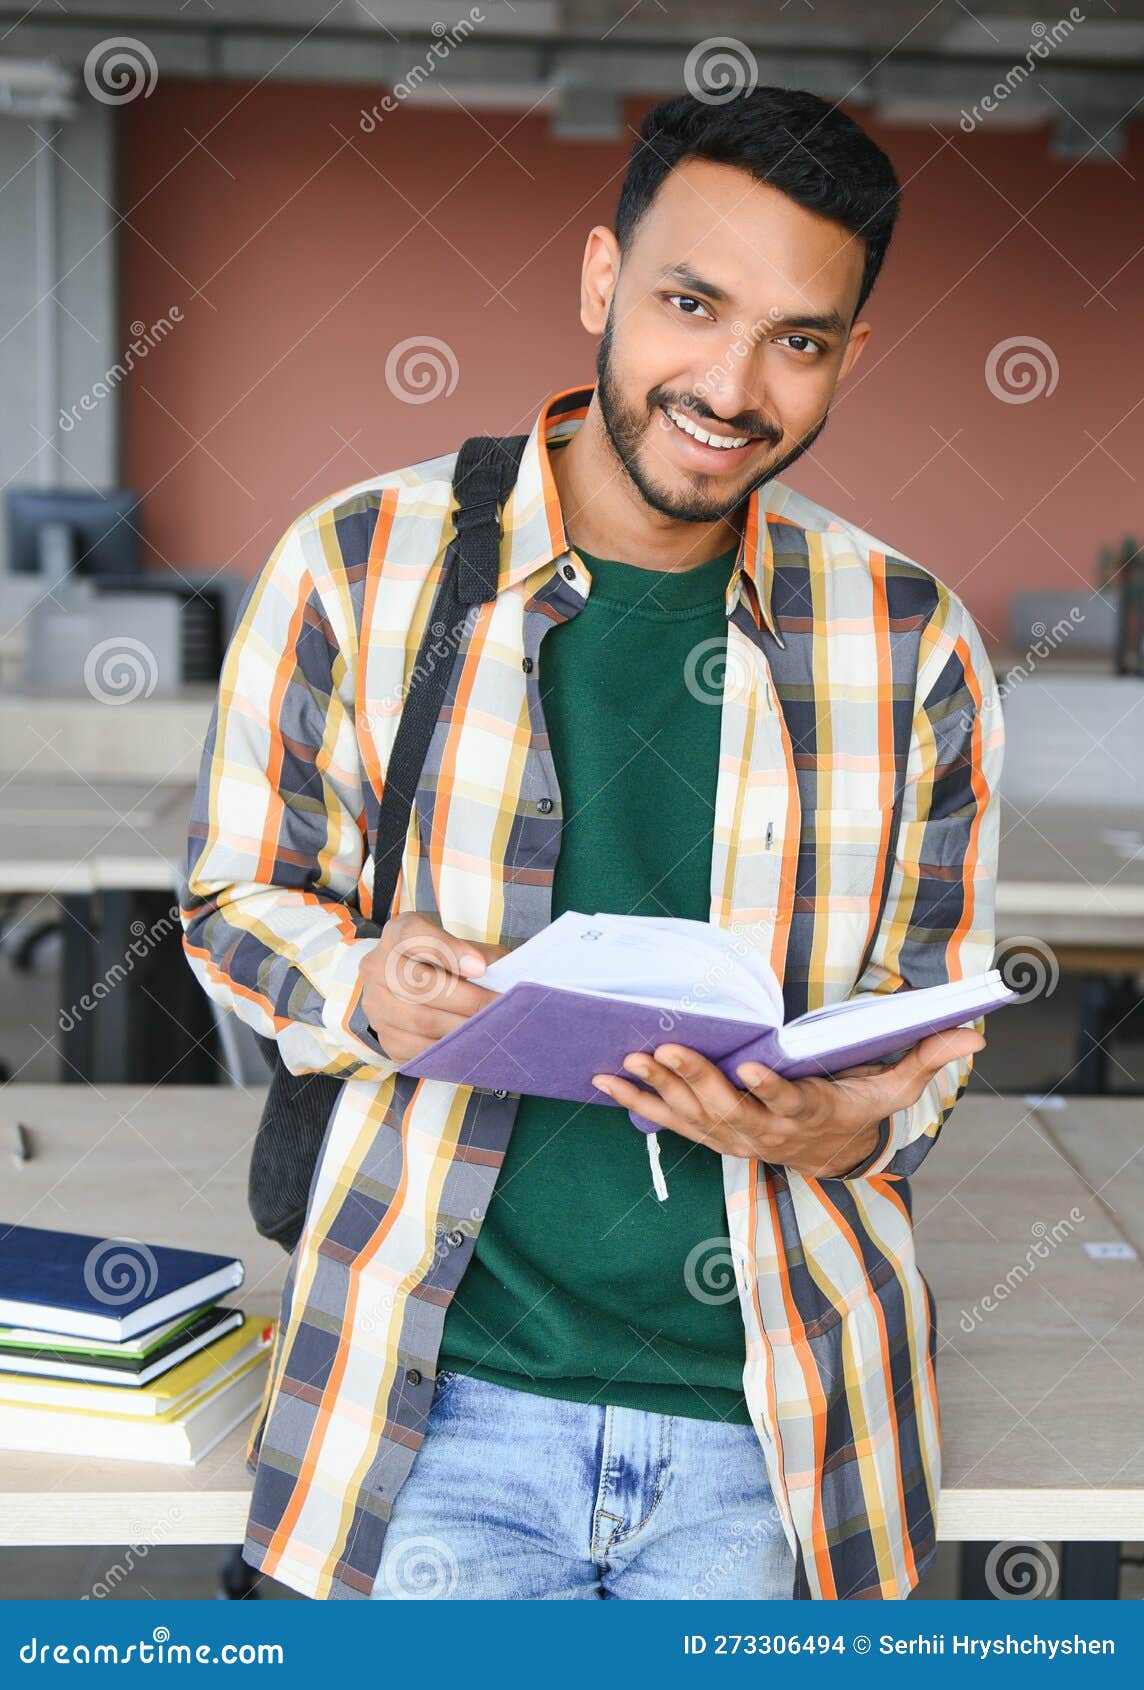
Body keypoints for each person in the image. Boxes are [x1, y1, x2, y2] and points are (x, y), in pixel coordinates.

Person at [180, 85, 1003, 1602]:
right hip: (431, 1413)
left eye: (798, 339)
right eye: (693, 303)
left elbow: (936, 1012)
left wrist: (850, 1130)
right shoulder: (361, 565)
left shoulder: (912, 641)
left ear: (848, 359)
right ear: (601, 281)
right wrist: (362, 980)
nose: (732, 382)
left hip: (776, 1429)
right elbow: (235, 900)